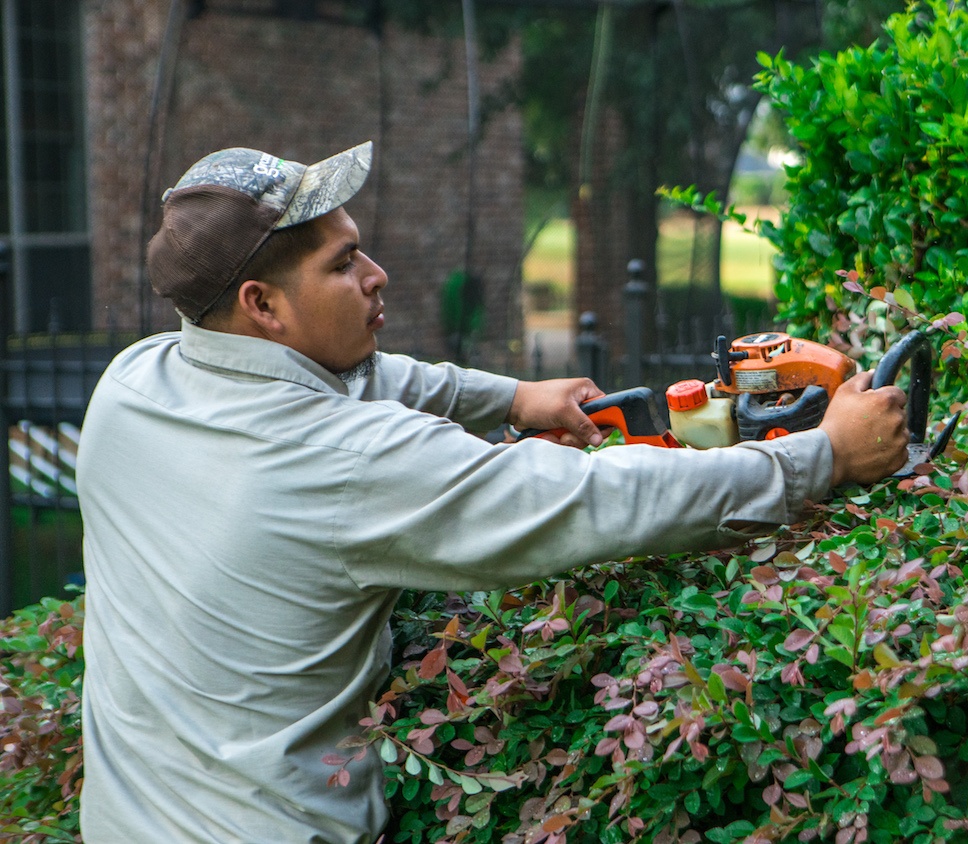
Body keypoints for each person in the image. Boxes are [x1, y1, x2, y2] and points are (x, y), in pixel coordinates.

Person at [76, 141, 909, 844]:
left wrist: (511, 398)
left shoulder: (136, 384)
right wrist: (821, 456)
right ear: (262, 305)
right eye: (342, 265)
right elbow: (590, 500)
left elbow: (366, 375)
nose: (378, 275)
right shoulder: (339, 460)